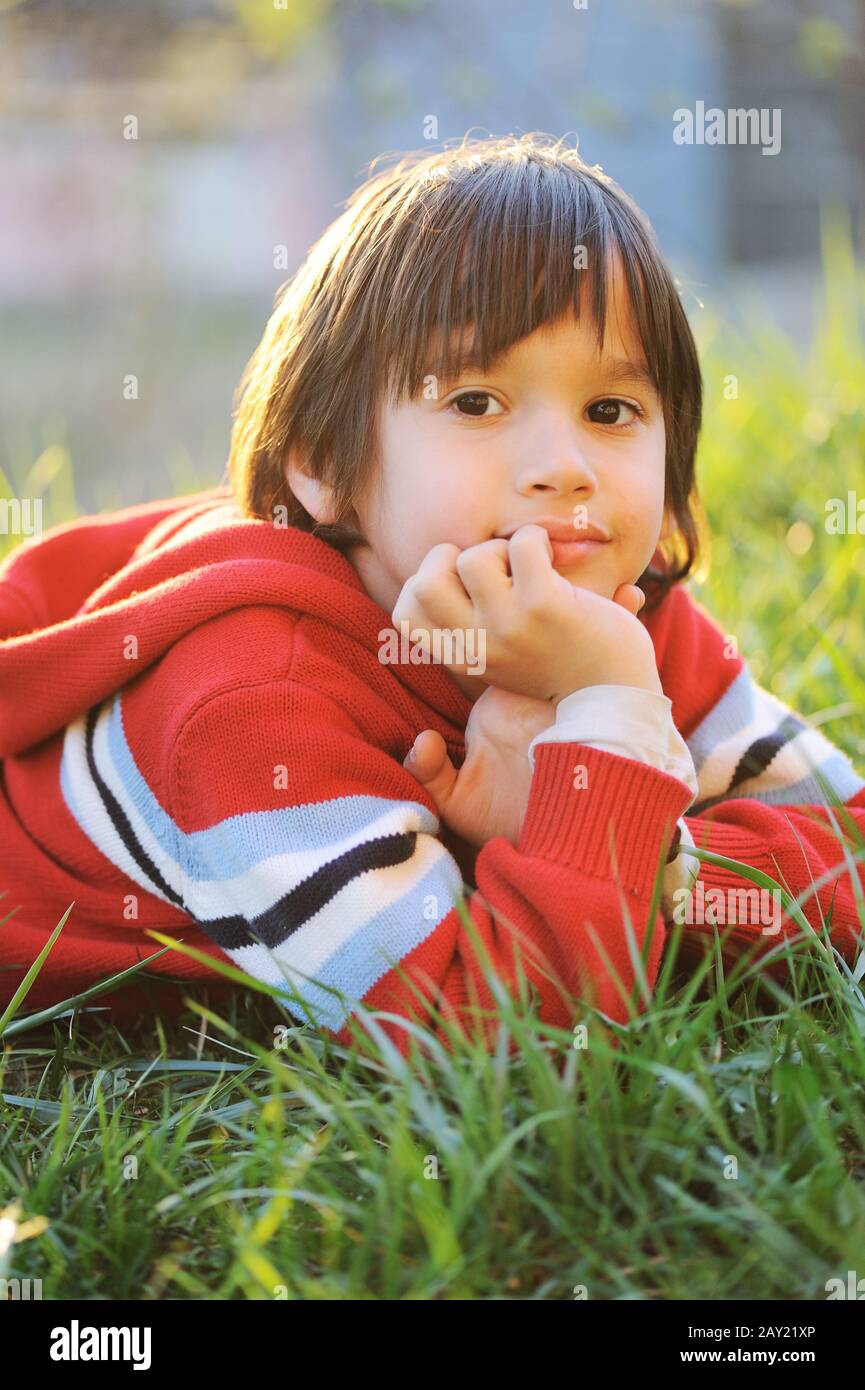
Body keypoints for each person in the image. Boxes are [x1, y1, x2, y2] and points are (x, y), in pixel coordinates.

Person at [2, 134, 863, 1056]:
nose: (563, 469)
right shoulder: (254, 699)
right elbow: (494, 1044)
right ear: (326, 464)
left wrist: (656, 862)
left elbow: (847, 848)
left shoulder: (620, 608)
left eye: (609, 412)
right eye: (476, 403)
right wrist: (610, 707)